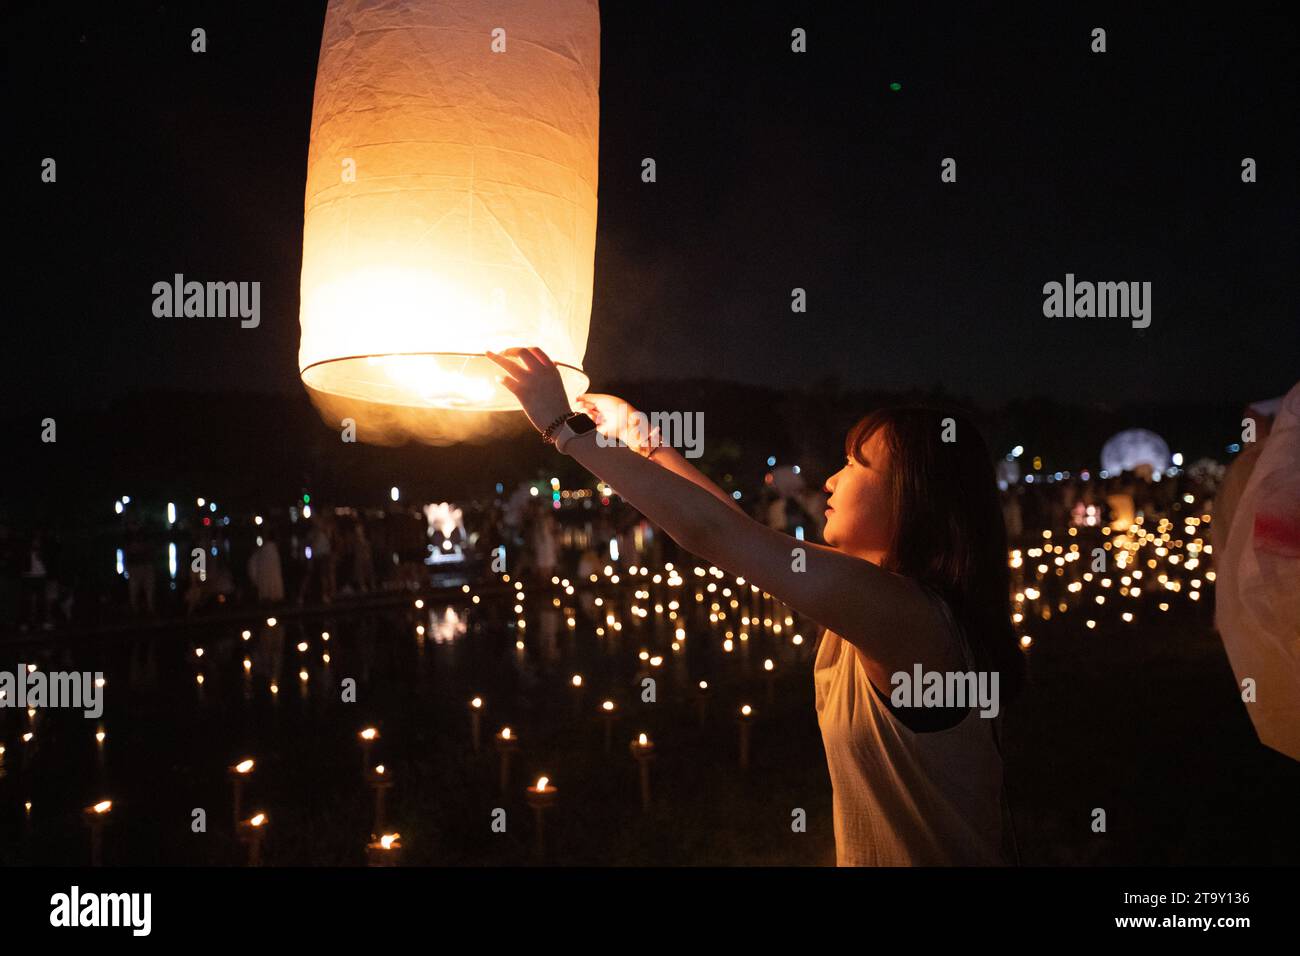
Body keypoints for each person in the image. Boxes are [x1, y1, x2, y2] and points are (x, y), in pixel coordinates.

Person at [488, 347, 1026, 866]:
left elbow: (718, 534)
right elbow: (737, 532)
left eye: (855, 465)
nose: (832, 480)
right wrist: (641, 438)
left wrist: (563, 428)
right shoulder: (881, 602)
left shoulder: (909, 619)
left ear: (915, 495)